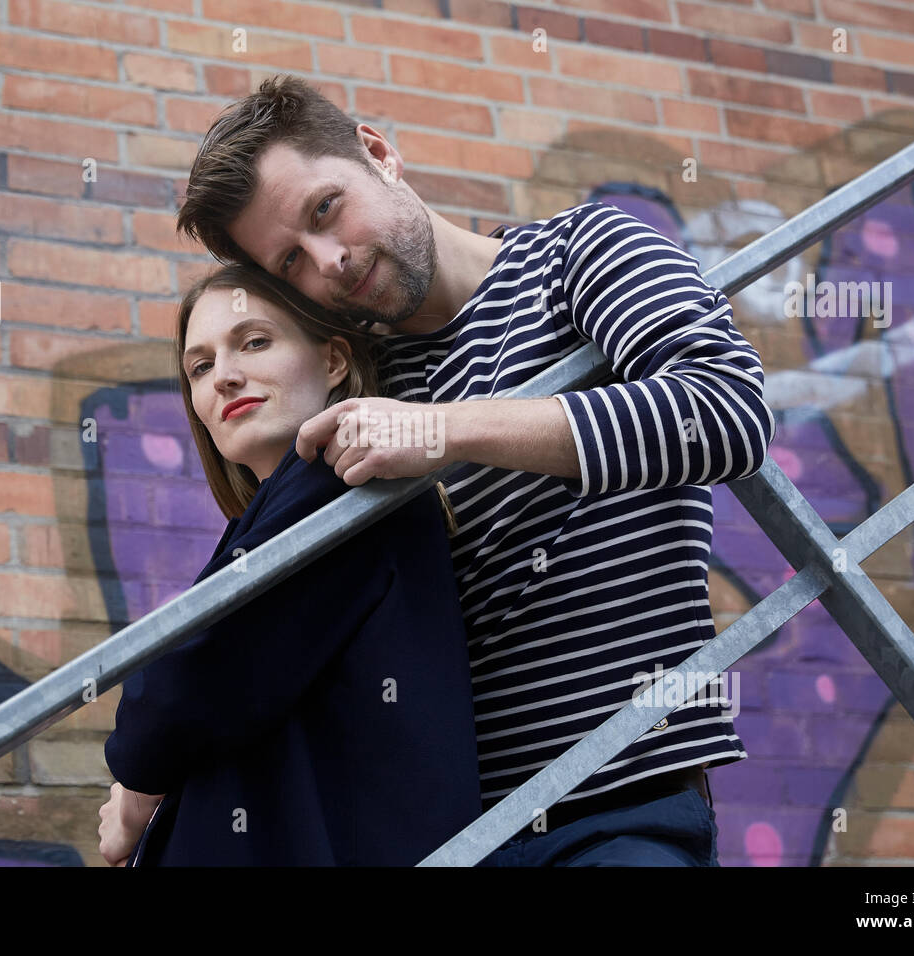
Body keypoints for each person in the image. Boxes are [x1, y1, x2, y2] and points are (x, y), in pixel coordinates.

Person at [173, 75, 778, 866]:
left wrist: (447, 431)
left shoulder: (577, 253)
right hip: (435, 839)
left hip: (616, 806)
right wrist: (149, 779)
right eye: (291, 260)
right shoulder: (356, 378)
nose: (331, 261)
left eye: (326, 210)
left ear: (379, 154)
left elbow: (726, 409)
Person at [98, 262, 480, 866]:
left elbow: (189, 684)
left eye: (254, 342)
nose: (224, 376)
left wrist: (134, 787)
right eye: (200, 366)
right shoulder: (281, 510)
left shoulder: (342, 480)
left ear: (333, 361)